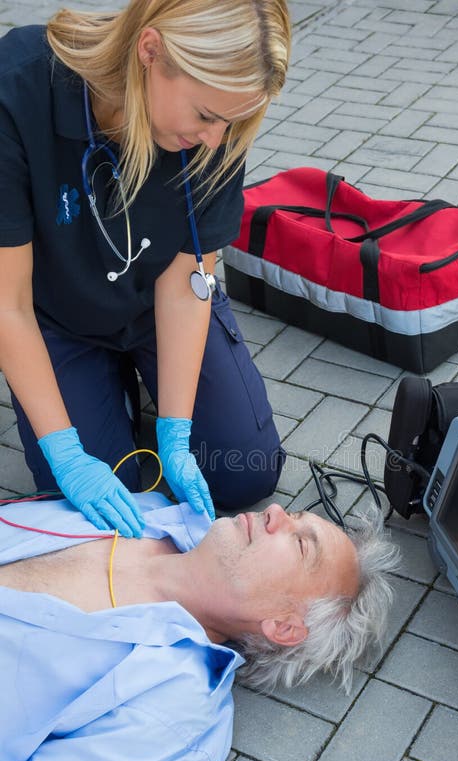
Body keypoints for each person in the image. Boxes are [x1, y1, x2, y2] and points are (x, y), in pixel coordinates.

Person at [0, 493, 398, 761]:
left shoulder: (173, 714)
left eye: (299, 544)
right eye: (294, 513)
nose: (275, 512)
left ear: (283, 626)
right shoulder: (155, 510)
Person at [0, 0, 291, 541]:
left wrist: (176, 434)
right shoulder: (18, 89)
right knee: (107, 504)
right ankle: (102, 385)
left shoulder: (221, 123)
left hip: (160, 304)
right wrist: (67, 454)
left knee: (243, 471)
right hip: (56, 317)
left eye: (230, 122)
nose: (216, 140)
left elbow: (186, 284)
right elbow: (7, 303)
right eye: (205, 116)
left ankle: (144, 395)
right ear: (150, 50)